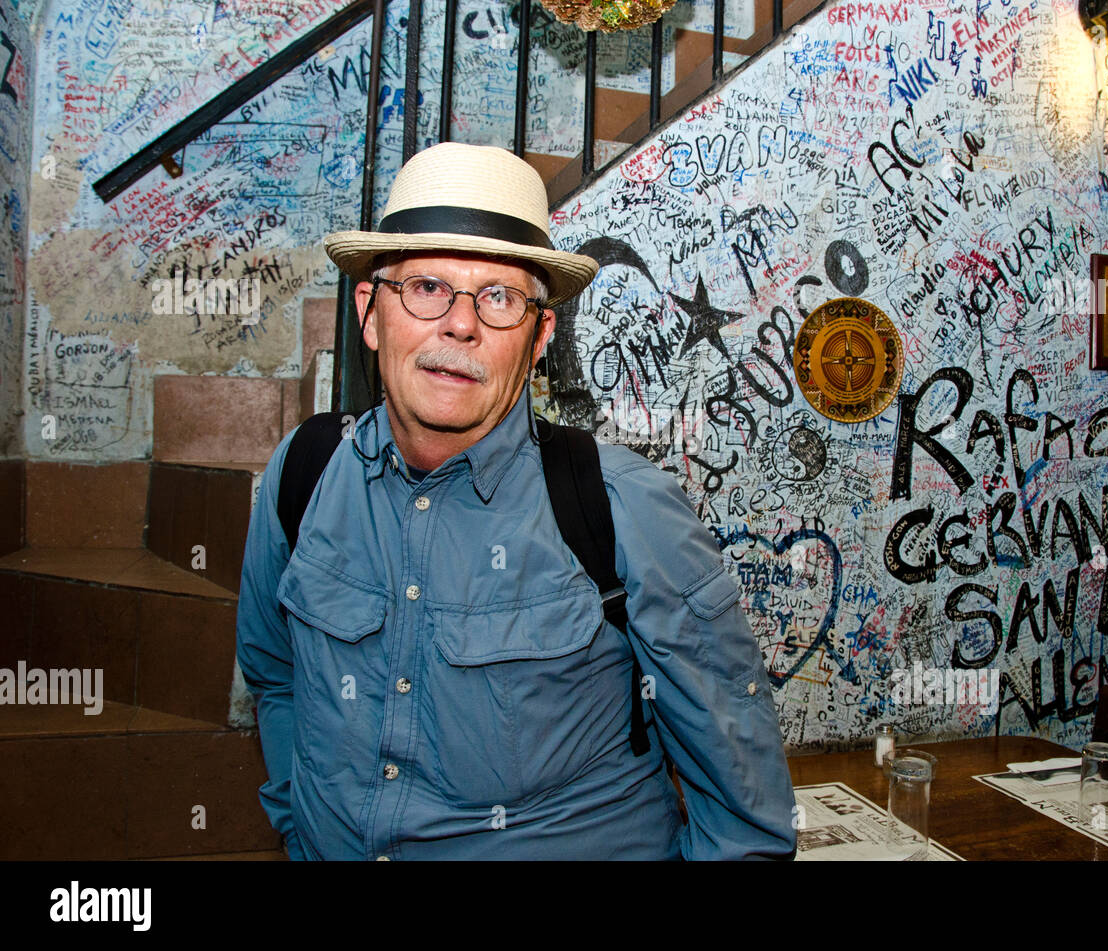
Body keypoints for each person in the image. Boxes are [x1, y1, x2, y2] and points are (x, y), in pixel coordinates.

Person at [235, 142, 796, 860]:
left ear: (539, 337)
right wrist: (297, 822)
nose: (460, 324)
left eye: (499, 297)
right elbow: (275, 675)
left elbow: (745, 819)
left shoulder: (620, 509)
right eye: (428, 286)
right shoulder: (303, 475)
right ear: (371, 314)